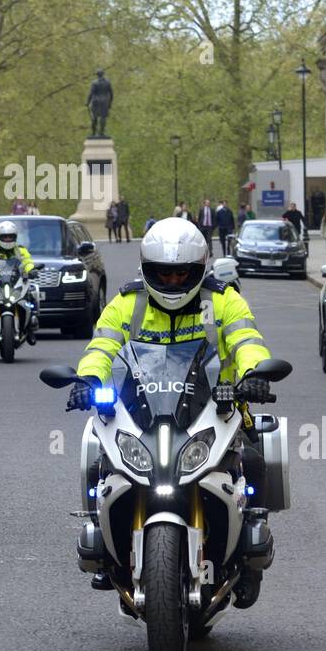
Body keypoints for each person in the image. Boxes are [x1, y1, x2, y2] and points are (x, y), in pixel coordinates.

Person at [69, 219, 275, 585]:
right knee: (98, 459)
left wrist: (255, 374)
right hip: (142, 408)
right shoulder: (128, 303)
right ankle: (104, 549)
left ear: (199, 269)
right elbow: (101, 347)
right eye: (164, 274)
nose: (173, 282)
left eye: (183, 274)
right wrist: (88, 380)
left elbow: (246, 341)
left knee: (255, 459)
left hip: (215, 405)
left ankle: (249, 554)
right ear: (147, 270)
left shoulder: (223, 299)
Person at [0, 220, 36, 340]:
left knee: (32, 293)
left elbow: (27, 262)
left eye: (10, 237)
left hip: (15, 281)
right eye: (5, 237)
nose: (8, 239)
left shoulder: (21, 250)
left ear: (15, 237)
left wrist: (31, 270)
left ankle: (30, 327)